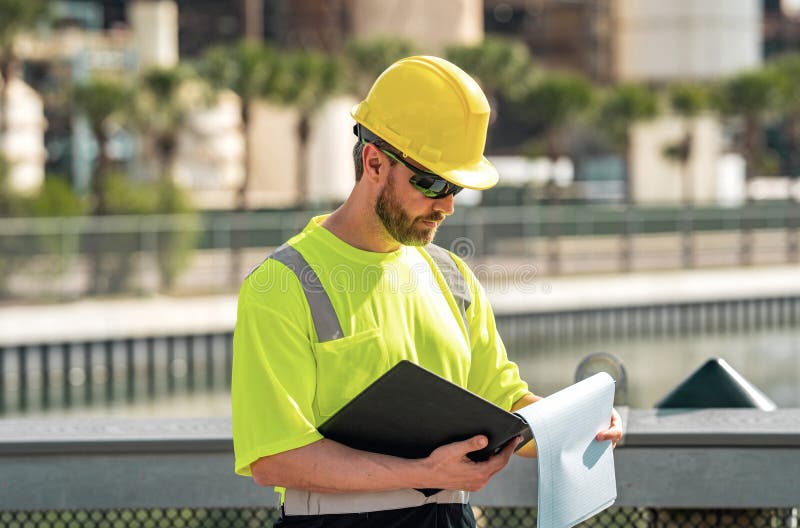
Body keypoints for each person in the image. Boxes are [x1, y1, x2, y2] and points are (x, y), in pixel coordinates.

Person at [231, 55, 623, 528]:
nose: (448, 205)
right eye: (433, 182)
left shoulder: (451, 276)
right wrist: (422, 472)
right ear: (374, 161)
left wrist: (576, 426)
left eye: (456, 185)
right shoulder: (282, 284)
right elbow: (274, 456)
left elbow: (506, 401)